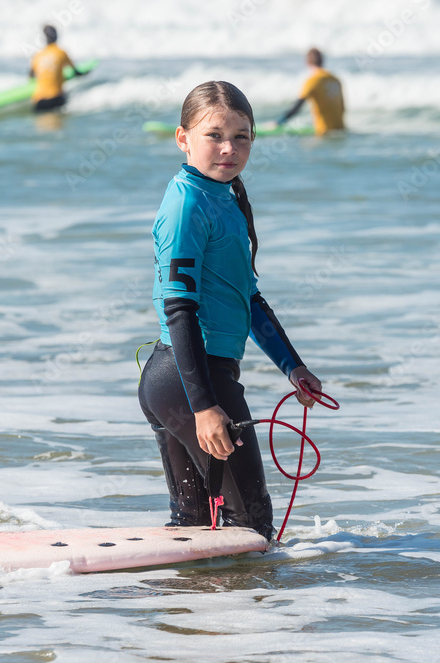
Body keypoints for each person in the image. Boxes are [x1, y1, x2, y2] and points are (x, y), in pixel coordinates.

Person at [138, 81, 324, 541]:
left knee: (198, 531)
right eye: (214, 135)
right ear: (183, 139)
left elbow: (249, 298)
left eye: (242, 136)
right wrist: (204, 407)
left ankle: (178, 609)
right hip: (192, 383)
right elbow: (178, 307)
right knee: (252, 533)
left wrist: (292, 366)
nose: (229, 148)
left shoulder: (226, 197)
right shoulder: (186, 203)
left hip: (182, 382)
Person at [275, 48, 345, 135]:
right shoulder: (336, 80)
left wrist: (279, 122)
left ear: (307, 62)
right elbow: (342, 108)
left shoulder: (313, 80)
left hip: (324, 132)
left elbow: (297, 106)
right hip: (341, 130)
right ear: (322, 61)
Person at [29, 24, 86, 113]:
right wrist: (85, 73)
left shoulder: (38, 55)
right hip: (55, 98)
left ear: (45, 38)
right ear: (56, 36)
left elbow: (31, 76)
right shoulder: (61, 52)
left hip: (39, 100)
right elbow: (75, 72)